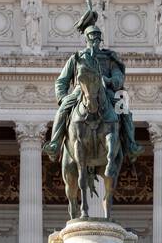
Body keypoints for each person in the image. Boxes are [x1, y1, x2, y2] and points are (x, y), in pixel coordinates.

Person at [43, 18, 141, 161]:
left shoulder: (108, 58)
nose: (95, 39)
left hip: (105, 91)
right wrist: (63, 97)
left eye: (97, 37)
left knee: (124, 110)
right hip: (80, 91)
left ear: (101, 39)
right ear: (86, 39)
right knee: (63, 109)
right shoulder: (77, 58)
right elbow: (62, 81)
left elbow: (118, 77)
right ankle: (55, 143)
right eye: (92, 36)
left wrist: (109, 80)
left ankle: (131, 145)